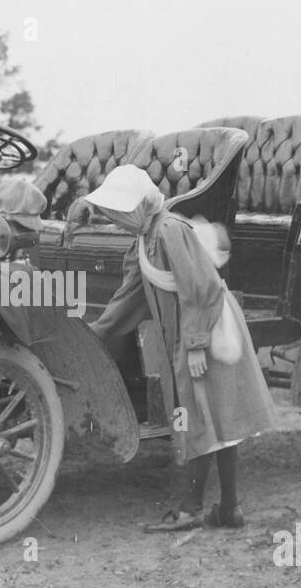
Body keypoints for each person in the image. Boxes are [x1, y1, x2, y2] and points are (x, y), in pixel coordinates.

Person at [85, 165, 277, 530]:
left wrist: (194, 345)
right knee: (213, 414)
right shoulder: (144, 238)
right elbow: (128, 297)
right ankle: (230, 509)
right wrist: (93, 336)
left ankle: (191, 510)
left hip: (209, 326)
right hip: (193, 330)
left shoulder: (170, 230)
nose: (116, 220)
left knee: (200, 414)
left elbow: (200, 289)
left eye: (120, 213)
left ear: (141, 206)